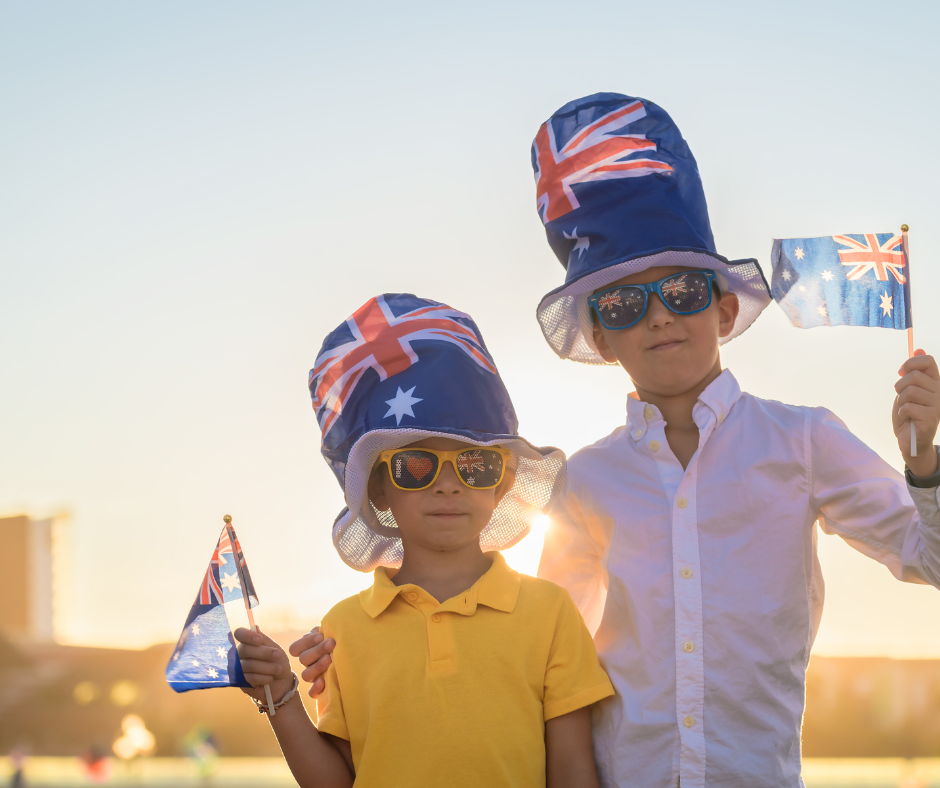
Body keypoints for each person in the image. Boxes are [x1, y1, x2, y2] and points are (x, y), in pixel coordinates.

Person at [298, 94, 940, 788]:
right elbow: (537, 644)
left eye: (684, 292)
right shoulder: (588, 480)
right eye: (627, 304)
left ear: (723, 308)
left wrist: (926, 464)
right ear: (601, 337)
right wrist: (365, 645)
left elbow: (925, 557)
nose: (660, 318)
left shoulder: (805, 441)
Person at [235, 293, 614, 788]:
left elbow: (572, 769)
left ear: (501, 485)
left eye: (476, 465)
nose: (448, 484)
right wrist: (281, 693)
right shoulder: (342, 629)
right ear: (380, 489)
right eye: (416, 465)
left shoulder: (549, 612)